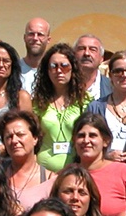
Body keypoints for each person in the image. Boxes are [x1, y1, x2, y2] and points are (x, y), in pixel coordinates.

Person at [69, 114, 126, 216]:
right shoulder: (66, 175)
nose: (86, 140)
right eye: (81, 136)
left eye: (92, 135)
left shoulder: (124, 172)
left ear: (106, 141)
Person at [32, 42, 88, 175]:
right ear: (47, 70)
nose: (59, 71)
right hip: (44, 170)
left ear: (73, 68)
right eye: (53, 66)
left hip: (76, 170)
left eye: (64, 66)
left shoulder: (85, 102)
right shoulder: (37, 103)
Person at [0, 108, 54, 210]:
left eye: (20, 135)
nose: (14, 140)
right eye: (9, 137)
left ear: (35, 138)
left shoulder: (50, 180)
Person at [17, 17, 52, 94]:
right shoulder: (14, 70)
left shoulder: (54, 71)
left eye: (40, 34)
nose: (35, 38)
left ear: (48, 40)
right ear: (24, 38)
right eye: (31, 34)